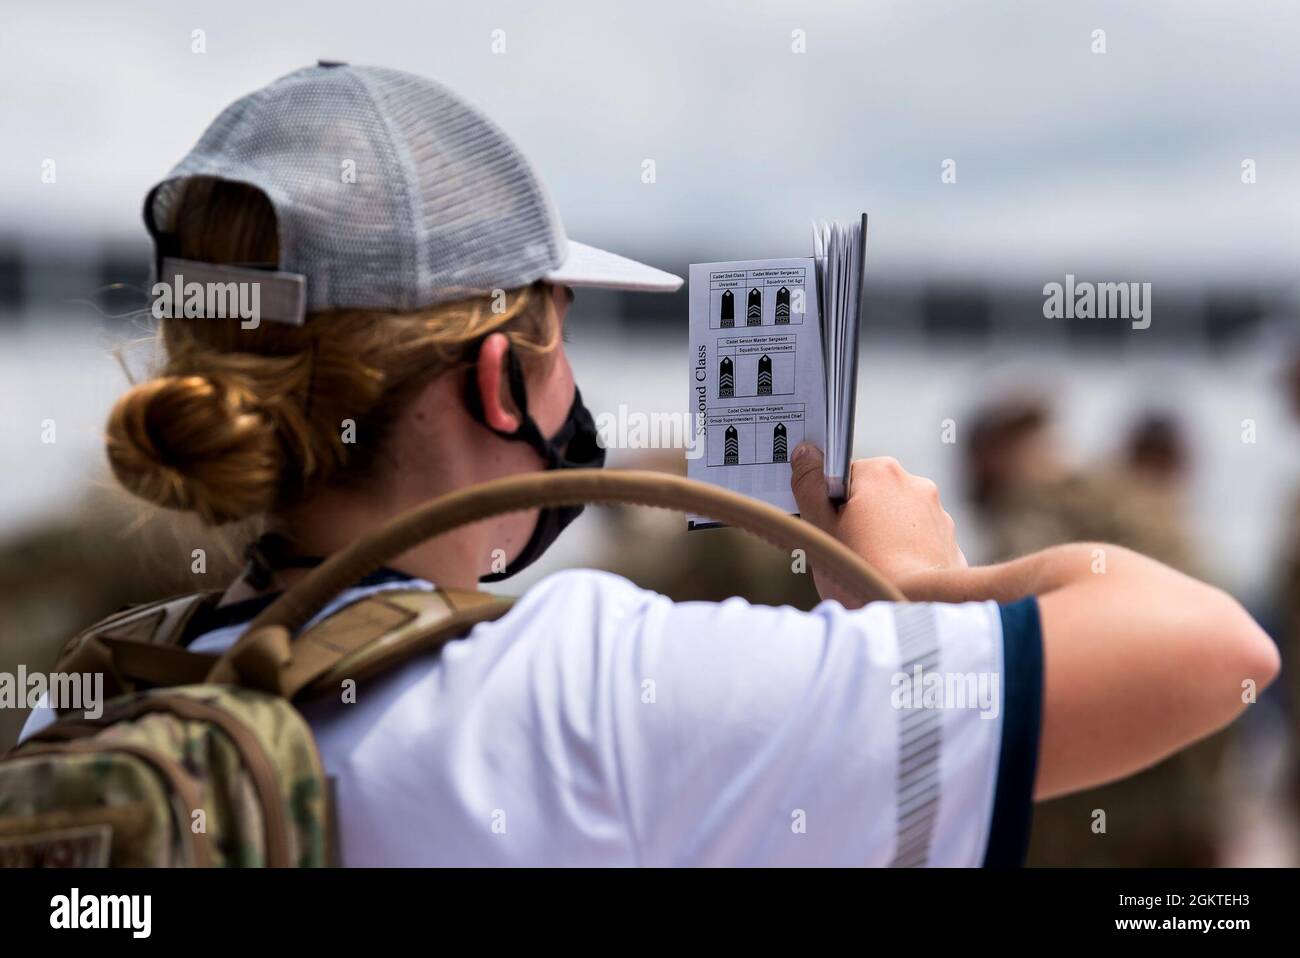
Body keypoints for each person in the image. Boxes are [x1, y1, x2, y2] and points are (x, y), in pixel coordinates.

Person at [20, 63, 1279, 867]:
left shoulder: (92, 698)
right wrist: (914, 585)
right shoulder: (594, 687)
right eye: (555, 325)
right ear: (502, 378)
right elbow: (1211, 648)